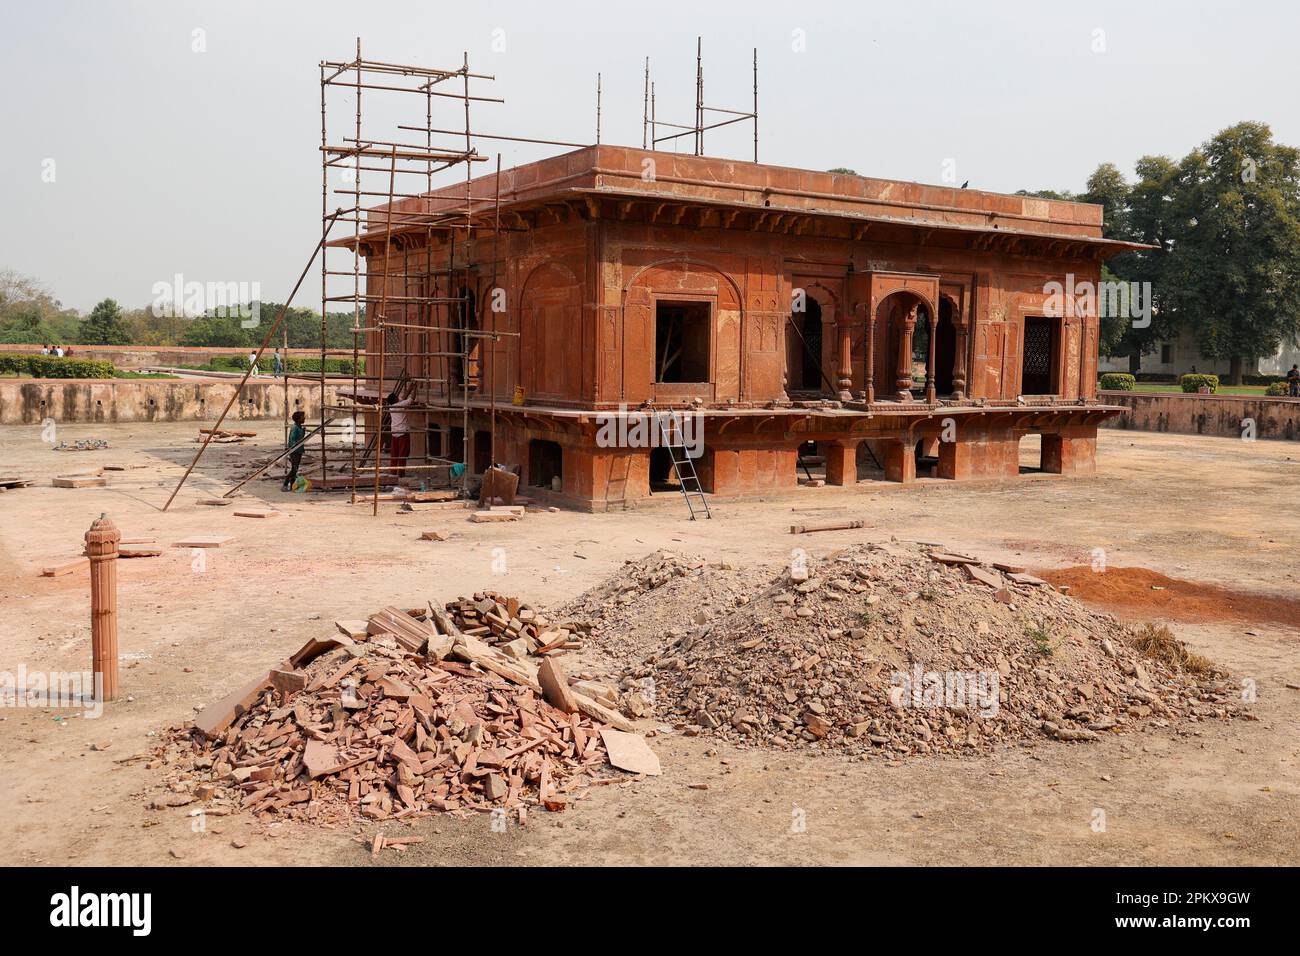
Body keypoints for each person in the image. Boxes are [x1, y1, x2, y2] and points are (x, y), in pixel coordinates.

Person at [385, 380, 416, 482]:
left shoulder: (392, 407)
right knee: (403, 454)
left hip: (394, 433)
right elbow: (411, 399)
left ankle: (393, 473)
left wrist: (410, 388)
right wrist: (415, 388)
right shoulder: (401, 405)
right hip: (402, 433)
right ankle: (401, 474)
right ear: (395, 399)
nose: (399, 397)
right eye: (397, 397)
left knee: (394, 454)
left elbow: (403, 398)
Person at [283, 410, 308, 491]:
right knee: (294, 469)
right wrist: (294, 447)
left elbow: (300, 437)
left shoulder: (299, 427)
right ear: (298, 419)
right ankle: (285, 484)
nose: (304, 418)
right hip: (294, 451)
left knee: (295, 468)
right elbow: (292, 439)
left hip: (299, 450)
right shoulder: (295, 427)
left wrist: (303, 431)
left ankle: (292, 485)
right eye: (302, 417)